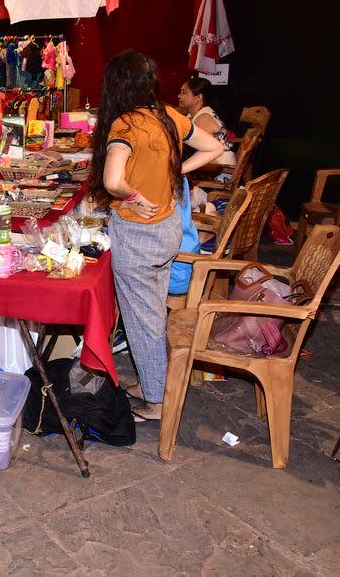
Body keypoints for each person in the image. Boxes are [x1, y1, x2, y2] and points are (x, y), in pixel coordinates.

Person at [89, 50, 224, 423]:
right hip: (167, 230)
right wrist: (175, 169)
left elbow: (113, 181)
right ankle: (155, 383)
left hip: (138, 233)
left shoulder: (124, 127)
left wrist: (131, 194)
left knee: (143, 321)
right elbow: (216, 147)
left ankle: (158, 402)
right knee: (151, 314)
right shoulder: (170, 116)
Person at [177, 76, 236, 167]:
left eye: (184, 92)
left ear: (198, 97)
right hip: (210, 165)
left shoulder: (203, 118)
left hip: (219, 168)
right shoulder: (193, 115)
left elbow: (189, 150)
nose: (179, 96)